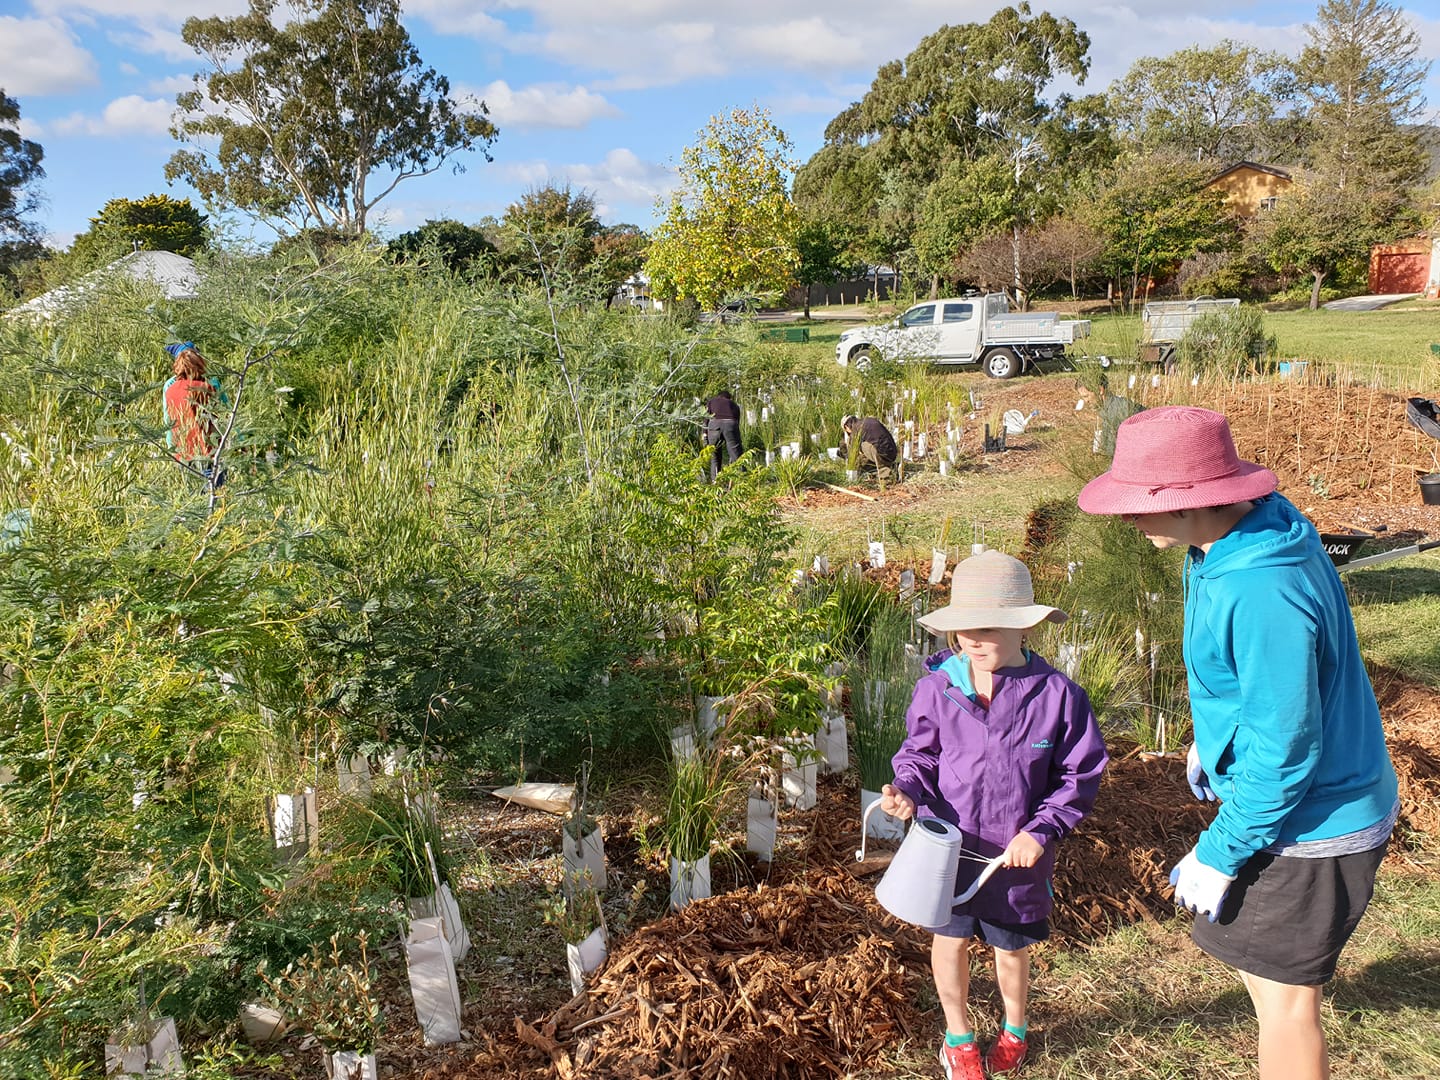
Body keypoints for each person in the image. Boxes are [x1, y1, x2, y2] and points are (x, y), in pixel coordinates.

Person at [1077, 407, 1398, 1080]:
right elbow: (1261, 690)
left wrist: (1219, 851)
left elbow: (1286, 749)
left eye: (1139, 505)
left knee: (1285, 1005)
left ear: (1196, 501)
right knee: (1264, 985)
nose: (1127, 520)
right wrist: (1213, 738)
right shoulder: (1239, 535)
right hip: (1296, 807)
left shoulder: (1259, 586)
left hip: (1312, 822)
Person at [880, 550, 1108, 1080]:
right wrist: (908, 791)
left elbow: (1080, 774)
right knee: (950, 938)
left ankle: (1015, 1027)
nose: (973, 641)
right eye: (964, 630)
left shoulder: (1057, 697)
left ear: (1023, 627)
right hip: (948, 847)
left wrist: (1041, 830)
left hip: (1015, 852)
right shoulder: (939, 688)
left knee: (1010, 949)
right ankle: (957, 1037)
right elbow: (919, 754)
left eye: (987, 628)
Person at [162, 341, 227, 485]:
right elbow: (223, 421)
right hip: (209, 454)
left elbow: (169, 423)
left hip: (183, 455)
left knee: (193, 499)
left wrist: (172, 450)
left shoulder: (170, 389)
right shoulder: (206, 387)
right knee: (214, 499)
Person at [841, 414, 898, 484]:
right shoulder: (868, 420)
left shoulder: (855, 429)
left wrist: (850, 466)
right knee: (868, 446)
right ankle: (890, 465)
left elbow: (852, 454)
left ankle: (884, 473)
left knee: (862, 445)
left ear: (846, 427)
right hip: (893, 453)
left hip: (882, 454)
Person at [704, 389, 744, 478]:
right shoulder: (734, 405)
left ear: (719, 396)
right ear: (729, 398)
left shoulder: (711, 402)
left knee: (714, 458)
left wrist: (705, 435)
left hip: (714, 425)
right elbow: (737, 423)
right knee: (736, 456)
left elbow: (705, 418)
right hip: (730, 424)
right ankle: (740, 480)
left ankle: (715, 483)